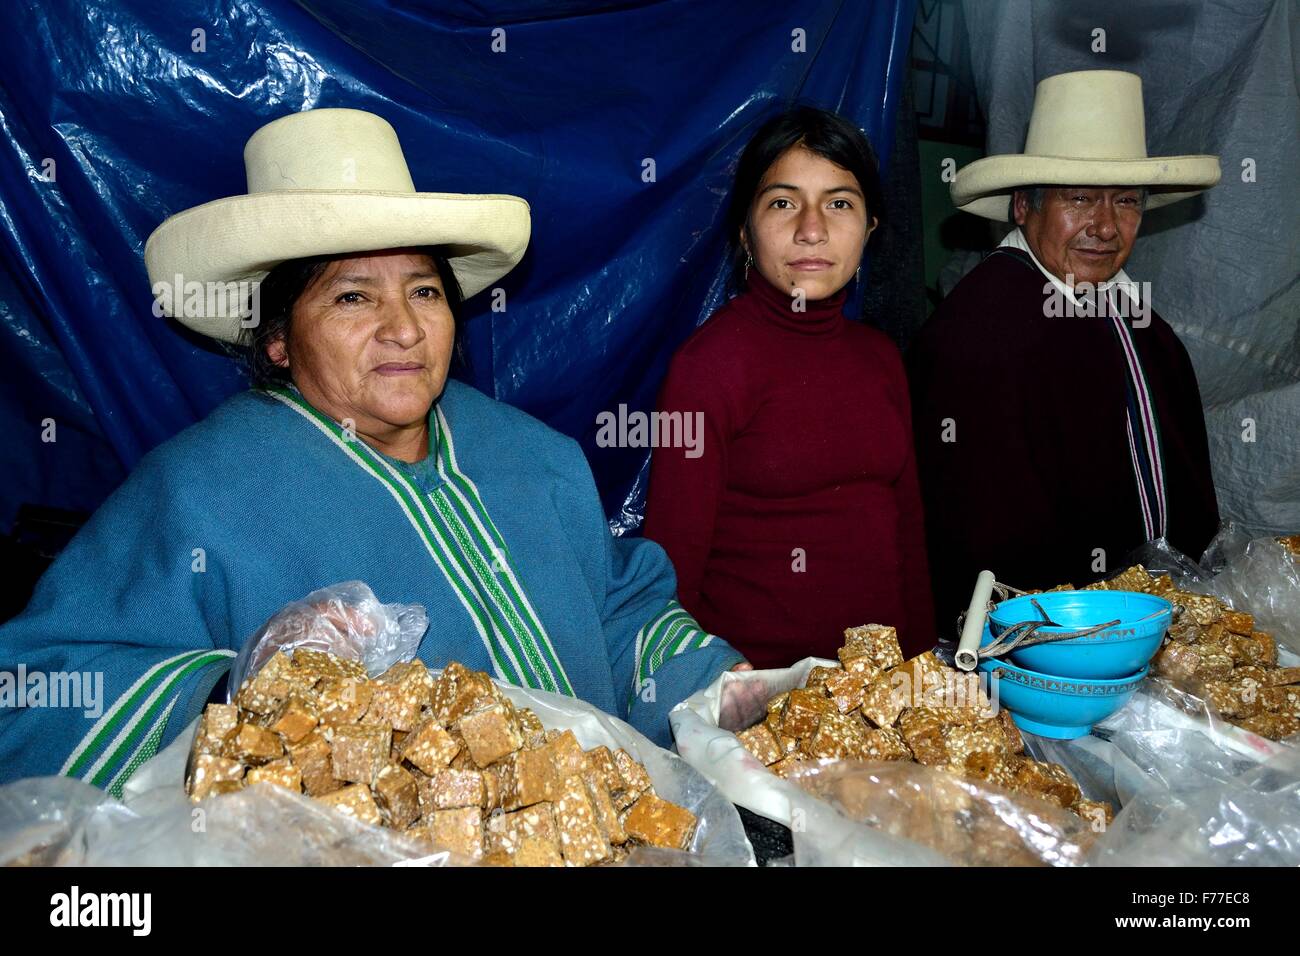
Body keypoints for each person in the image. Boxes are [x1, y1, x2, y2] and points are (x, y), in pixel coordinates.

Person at [0, 107, 752, 793]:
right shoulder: (195, 494)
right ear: (277, 338)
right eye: (353, 296)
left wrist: (730, 694)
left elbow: (621, 610)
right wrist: (235, 694)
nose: (403, 328)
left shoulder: (534, 456)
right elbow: (32, 696)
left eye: (424, 292)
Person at [909, 70, 1222, 630]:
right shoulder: (975, 335)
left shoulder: (1150, 331)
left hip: (1155, 633)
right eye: (1079, 199)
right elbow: (973, 535)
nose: (1104, 226)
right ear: (1022, 208)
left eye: (1126, 201)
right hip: (1043, 650)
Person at [643, 106, 935, 669]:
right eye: (782, 202)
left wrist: (921, 675)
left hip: (880, 696)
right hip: (765, 708)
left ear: (870, 229)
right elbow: (671, 574)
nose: (812, 229)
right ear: (745, 230)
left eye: (840, 204)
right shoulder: (708, 367)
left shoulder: (880, 359)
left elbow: (909, 541)